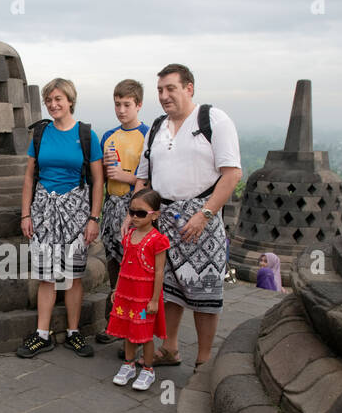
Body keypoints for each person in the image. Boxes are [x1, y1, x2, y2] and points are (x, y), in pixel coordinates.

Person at [132, 64, 242, 369]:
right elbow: (143, 178)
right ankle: (170, 348)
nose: (164, 96)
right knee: (166, 287)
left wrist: (205, 214)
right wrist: (136, 213)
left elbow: (232, 174)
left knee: (204, 290)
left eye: (171, 88)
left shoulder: (213, 120)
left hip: (201, 218)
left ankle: (204, 360)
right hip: (163, 216)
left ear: (189, 88)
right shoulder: (156, 128)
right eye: (160, 90)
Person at [16, 78, 104, 358]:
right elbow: (30, 176)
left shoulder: (86, 135)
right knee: (46, 276)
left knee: (73, 276)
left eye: (58, 99)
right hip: (42, 210)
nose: (53, 105)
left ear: (70, 101)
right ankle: (42, 334)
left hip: (77, 211)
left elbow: (98, 182)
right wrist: (25, 213)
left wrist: (94, 218)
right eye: (49, 100)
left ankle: (74, 332)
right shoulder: (40, 134)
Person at [96, 79, 151, 345]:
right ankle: (113, 323)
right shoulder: (108, 136)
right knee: (114, 267)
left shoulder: (148, 135)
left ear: (138, 105)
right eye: (117, 104)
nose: (121, 110)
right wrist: (108, 174)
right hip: (111, 207)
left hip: (136, 209)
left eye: (127, 105)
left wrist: (126, 176)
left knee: (136, 272)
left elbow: (153, 179)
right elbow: (102, 178)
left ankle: (135, 330)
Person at [106, 188, 170, 391]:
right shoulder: (129, 235)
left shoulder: (158, 240)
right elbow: (124, 263)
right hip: (126, 294)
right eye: (131, 212)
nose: (134, 217)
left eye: (141, 213)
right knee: (127, 331)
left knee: (143, 333)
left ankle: (148, 369)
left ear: (155, 215)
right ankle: (128, 364)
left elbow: (159, 273)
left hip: (144, 297)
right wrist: (116, 289)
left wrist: (153, 300)